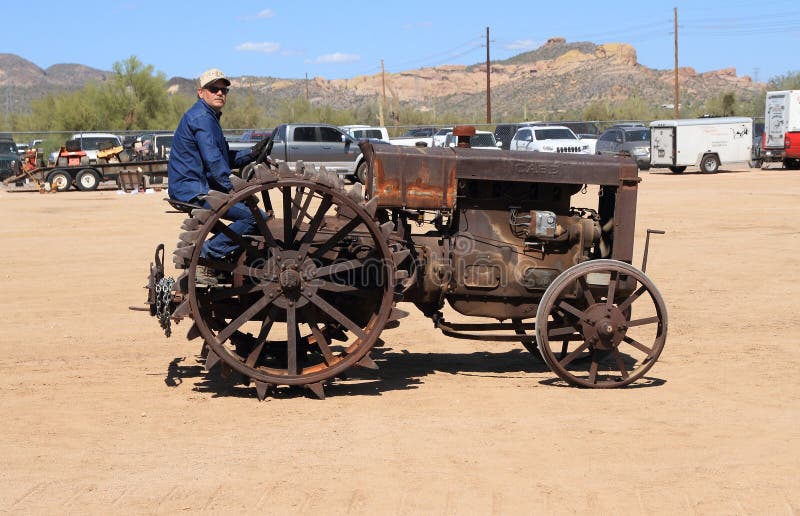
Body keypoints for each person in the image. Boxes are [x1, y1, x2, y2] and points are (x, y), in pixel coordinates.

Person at [168, 68, 270, 285]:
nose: (220, 93)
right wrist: (235, 190)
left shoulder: (208, 118)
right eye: (214, 89)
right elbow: (215, 162)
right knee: (254, 217)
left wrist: (252, 153)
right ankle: (206, 256)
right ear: (201, 92)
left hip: (195, 186)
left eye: (224, 90)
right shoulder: (202, 118)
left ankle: (224, 260)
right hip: (193, 189)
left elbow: (223, 158)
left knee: (253, 213)